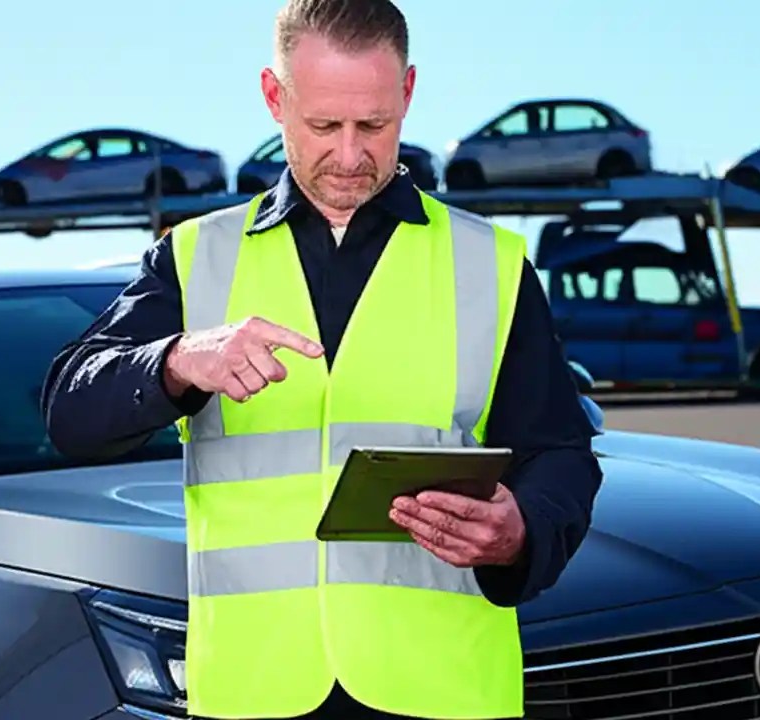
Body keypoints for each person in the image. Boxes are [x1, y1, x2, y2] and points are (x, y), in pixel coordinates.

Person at [41, 1, 603, 717]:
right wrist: (177, 361)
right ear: (276, 98)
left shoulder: (489, 264)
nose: (348, 155)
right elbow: (69, 411)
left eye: (373, 125)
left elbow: (563, 454)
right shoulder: (196, 257)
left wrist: (523, 527)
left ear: (407, 92)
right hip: (256, 693)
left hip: (443, 690)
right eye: (323, 126)